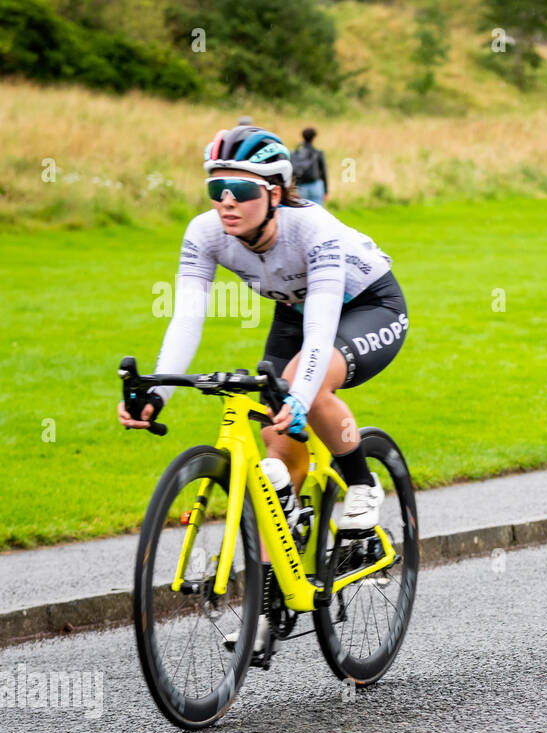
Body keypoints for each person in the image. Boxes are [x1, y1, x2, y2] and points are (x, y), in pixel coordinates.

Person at [118, 126, 409, 648]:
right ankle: (270, 607)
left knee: (302, 384)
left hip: (366, 306)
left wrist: (298, 396)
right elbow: (186, 320)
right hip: (295, 313)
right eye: (216, 189)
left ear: (274, 193)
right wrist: (155, 395)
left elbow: (321, 331)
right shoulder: (204, 233)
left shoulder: (312, 229)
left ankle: (363, 485)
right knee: (275, 469)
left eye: (242, 190)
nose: (227, 203)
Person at [291, 127, 329, 206]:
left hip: (301, 187)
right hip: (315, 185)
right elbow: (323, 172)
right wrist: (326, 191)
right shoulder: (318, 153)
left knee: (304, 211)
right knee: (319, 212)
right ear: (314, 138)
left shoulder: (295, 153)